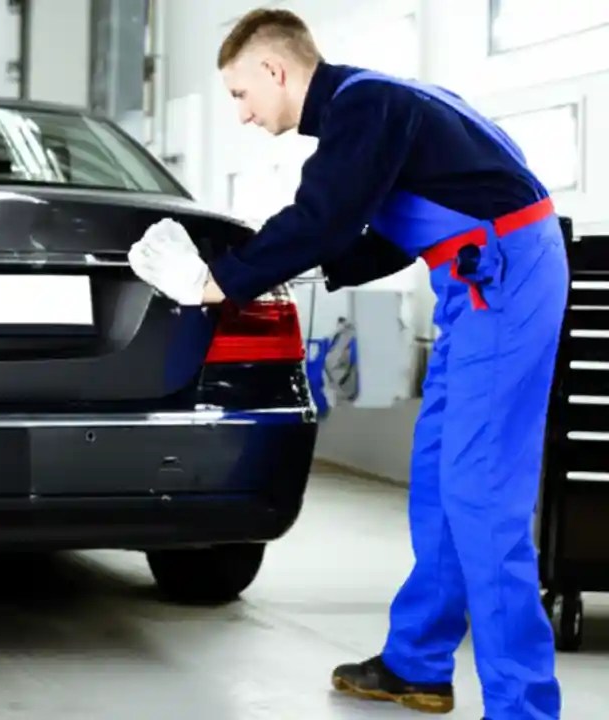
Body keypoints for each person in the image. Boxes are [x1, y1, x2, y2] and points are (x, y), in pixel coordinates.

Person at [129, 8, 566, 720]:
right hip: (478, 281)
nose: (240, 114)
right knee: (438, 480)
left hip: (503, 279)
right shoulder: (376, 105)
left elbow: (321, 218)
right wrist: (278, 268)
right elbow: (383, 231)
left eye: (240, 95)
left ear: (274, 70)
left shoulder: (365, 103)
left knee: (482, 494)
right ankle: (417, 665)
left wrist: (217, 281)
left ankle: (525, 706)